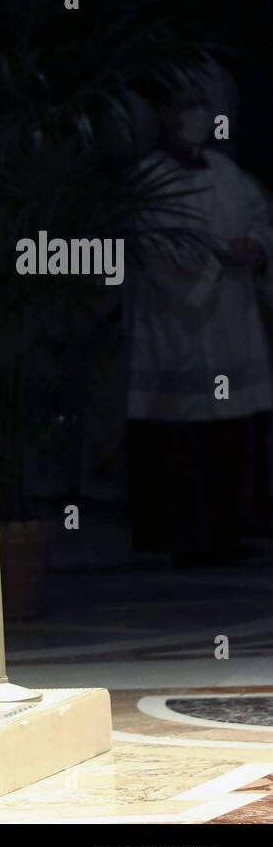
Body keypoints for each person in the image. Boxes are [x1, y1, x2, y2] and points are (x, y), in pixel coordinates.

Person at [127, 71, 273, 564]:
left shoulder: (228, 172)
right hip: (179, 321)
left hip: (231, 321)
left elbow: (260, 219)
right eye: (184, 107)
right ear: (166, 116)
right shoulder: (151, 176)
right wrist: (214, 261)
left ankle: (230, 530)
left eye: (200, 106)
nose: (195, 118)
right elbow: (155, 244)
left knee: (229, 432)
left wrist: (254, 245)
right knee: (182, 436)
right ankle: (184, 537)